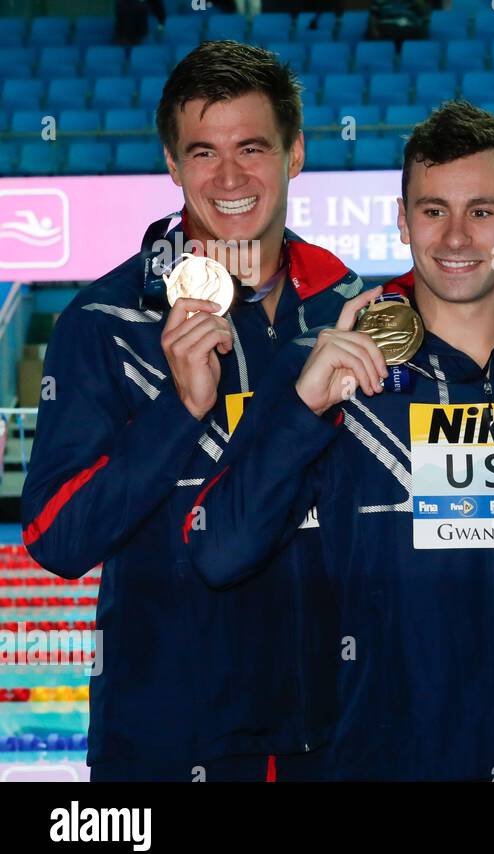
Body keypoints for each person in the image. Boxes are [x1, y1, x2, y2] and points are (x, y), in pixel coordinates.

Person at [182, 100, 494, 780]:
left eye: (483, 211)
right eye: (432, 209)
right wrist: (302, 408)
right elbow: (219, 550)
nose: (455, 237)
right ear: (401, 217)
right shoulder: (326, 367)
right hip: (386, 760)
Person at [20, 41, 362, 781]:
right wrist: (179, 410)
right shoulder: (106, 323)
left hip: (339, 739)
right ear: (172, 167)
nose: (231, 176)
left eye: (253, 147)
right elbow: (56, 538)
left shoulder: (353, 314)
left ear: (296, 153)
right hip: (169, 744)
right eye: (203, 152)